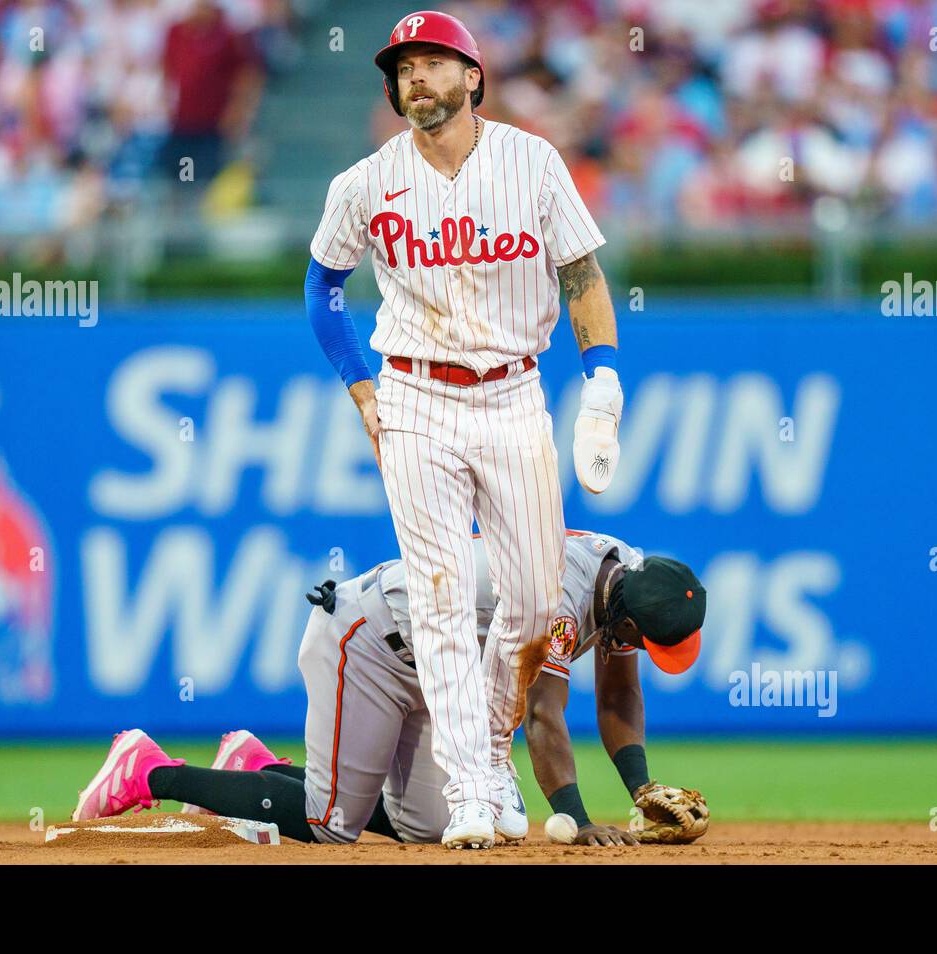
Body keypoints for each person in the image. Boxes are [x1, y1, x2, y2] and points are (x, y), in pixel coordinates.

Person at [303, 9, 626, 849]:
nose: (417, 75)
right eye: (404, 65)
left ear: (473, 77)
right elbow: (322, 288)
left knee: (529, 599)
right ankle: (472, 792)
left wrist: (604, 388)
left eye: (434, 61)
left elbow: (583, 274)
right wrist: (361, 389)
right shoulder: (366, 182)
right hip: (413, 398)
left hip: (516, 394)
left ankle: (486, 745)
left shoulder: (532, 162)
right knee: (443, 599)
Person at [70, 530, 707, 848]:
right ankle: (149, 771)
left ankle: (259, 769)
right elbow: (541, 717)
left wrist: (642, 788)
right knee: (330, 826)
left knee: (431, 828)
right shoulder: (560, 600)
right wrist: (577, 817)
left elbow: (618, 695)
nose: (648, 649)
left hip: (442, 667)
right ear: (627, 618)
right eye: (651, 641)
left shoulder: (628, 574)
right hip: (373, 639)